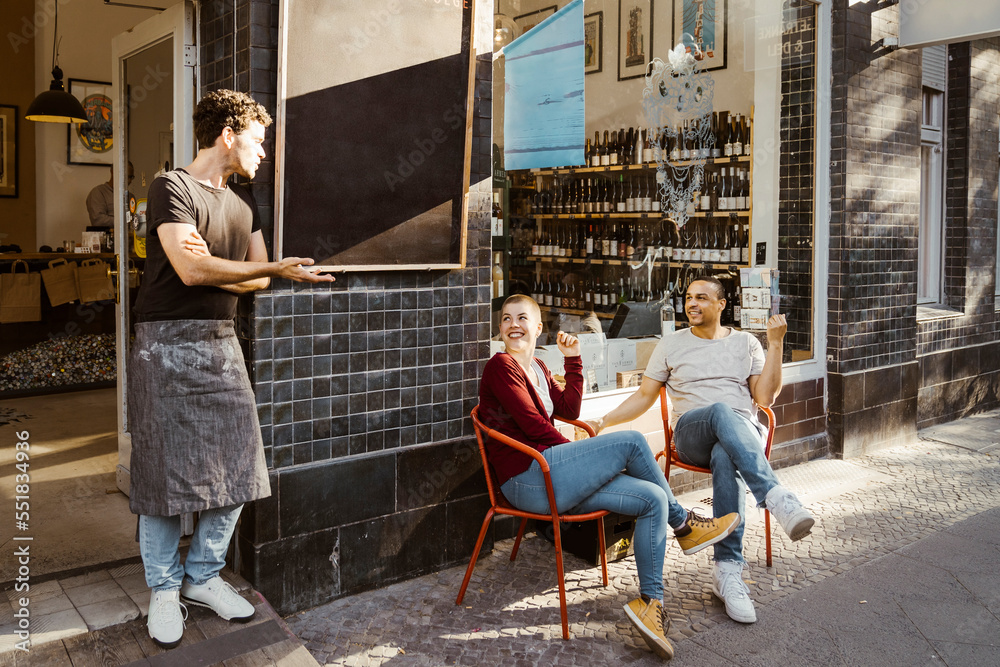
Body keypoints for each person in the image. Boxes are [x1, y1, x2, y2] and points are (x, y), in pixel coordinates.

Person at [129, 89, 334, 649]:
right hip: (164, 343)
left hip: (220, 340)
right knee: (165, 472)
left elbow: (254, 279)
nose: (263, 152)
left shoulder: (244, 205)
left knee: (242, 462)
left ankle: (202, 576)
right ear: (229, 133)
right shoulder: (170, 187)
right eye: (259, 139)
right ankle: (165, 590)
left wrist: (237, 269)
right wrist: (247, 268)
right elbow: (194, 273)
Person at [479, 294, 741, 660]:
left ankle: (652, 604)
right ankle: (684, 526)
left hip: (555, 475)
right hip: (527, 481)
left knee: (651, 498)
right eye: (506, 319)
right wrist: (594, 459)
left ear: (538, 328)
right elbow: (535, 428)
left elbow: (569, 409)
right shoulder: (500, 366)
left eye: (522, 318)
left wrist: (573, 361)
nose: (513, 325)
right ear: (501, 328)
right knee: (632, 441)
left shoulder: (536, 366)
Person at [589, 276, 816, 625]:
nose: (692, 304)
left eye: (702, 298)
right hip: (692, 433)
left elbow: (765, 399)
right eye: (689, 297)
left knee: (727, 455)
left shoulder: (746, 344)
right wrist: (604, 420)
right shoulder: (672, 343)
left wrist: (775, 345)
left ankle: (727, 572)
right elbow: (644, 396)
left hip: (739, 437)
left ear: (722, 304)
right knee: (722, 410)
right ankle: (774, 495)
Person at [86, 162, 134, 228]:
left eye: (131, 177)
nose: (129, 181)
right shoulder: (98, 192)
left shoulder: (130, 197)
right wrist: (125, 221)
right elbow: (98, 221)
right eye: (126, 176)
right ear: (113, 172)